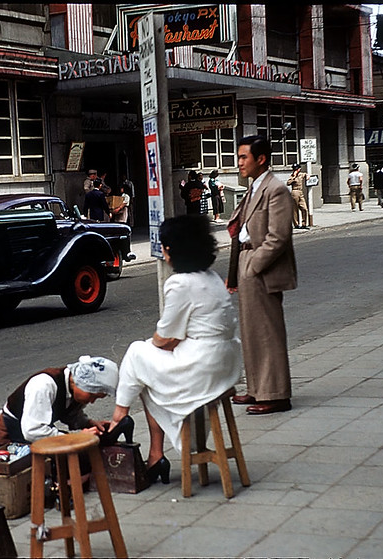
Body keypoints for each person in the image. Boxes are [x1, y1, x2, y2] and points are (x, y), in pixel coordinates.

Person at [109, 215, 241, 485]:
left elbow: (165, 338)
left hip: (203, 366)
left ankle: (119, 417)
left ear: (171, 250)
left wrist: (162, 340)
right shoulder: (212, 277)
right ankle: (155, 455)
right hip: (226, 363)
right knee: (144, 370)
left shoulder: (180, 283)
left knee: (137, 353)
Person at [226, 135, 296, 415]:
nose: (239, 162)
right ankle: (258, 389)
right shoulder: (254, 188)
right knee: (251, 332)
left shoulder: (275, 189)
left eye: (244, 157)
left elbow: (278, 237)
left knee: (267, 332)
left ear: (261, 159)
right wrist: (235, 273)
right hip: (246, 261)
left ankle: (276, 394)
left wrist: (254, 266)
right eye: (239, 157)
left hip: (260, 267)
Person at [0, 355, 118, 446]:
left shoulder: (73, 388)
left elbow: (69, 412)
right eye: (92, 396)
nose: (92, 402)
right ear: (80, 383)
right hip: (13, 437)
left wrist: (89, 423)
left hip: (33, 433)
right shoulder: (44, 385)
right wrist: (77, 438)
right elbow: (33, 431)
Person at [286, 163, 309, 227]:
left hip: (300, 192)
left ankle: (304, 223)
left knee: (304, 208)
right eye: (294, 169)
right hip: (294, 192)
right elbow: (288, 183)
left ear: (299, 169)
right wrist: (294, 176)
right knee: (295, 209)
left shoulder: (301, 175)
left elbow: (305, 174)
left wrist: (307, 176)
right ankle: (296, 224)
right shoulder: (292, 176)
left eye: (296, 169)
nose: (295, 170)